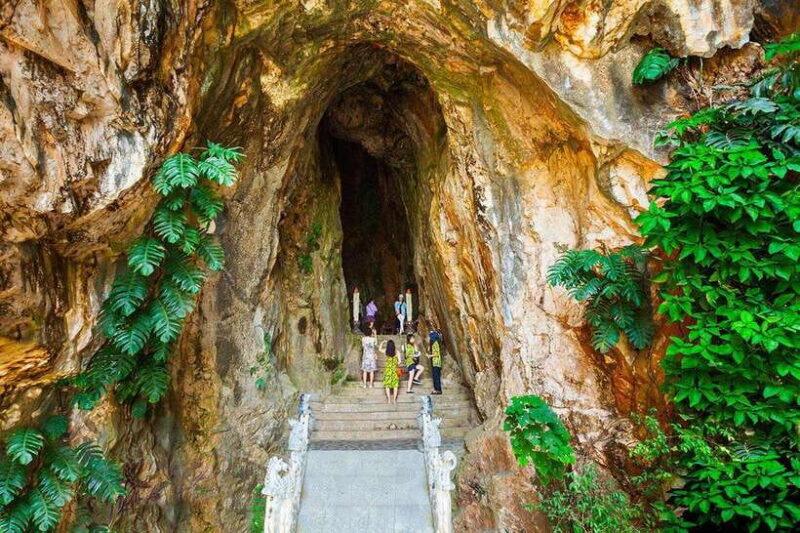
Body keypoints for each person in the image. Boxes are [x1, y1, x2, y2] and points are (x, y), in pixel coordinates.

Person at [381, 339, 401, 404]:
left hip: (388, 371)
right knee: (395, 386)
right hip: (395, 371)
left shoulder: (386, 351)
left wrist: (382, 342)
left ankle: (389, 400)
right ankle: (394, 400)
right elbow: (400, 362)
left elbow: (379, 349)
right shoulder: (397, 352)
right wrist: (396, 363)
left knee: (387, 386)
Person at [427, 330, 443, 395]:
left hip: (436, 362)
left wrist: (429, 356)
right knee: (434, 376)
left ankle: (438, 390)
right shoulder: (434, 343)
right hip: (434, 362)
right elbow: (430, 350)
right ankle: (436, 389)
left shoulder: (435, 344)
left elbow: (437, 354)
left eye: (430, 337)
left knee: (436, 376)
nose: (429, 338)